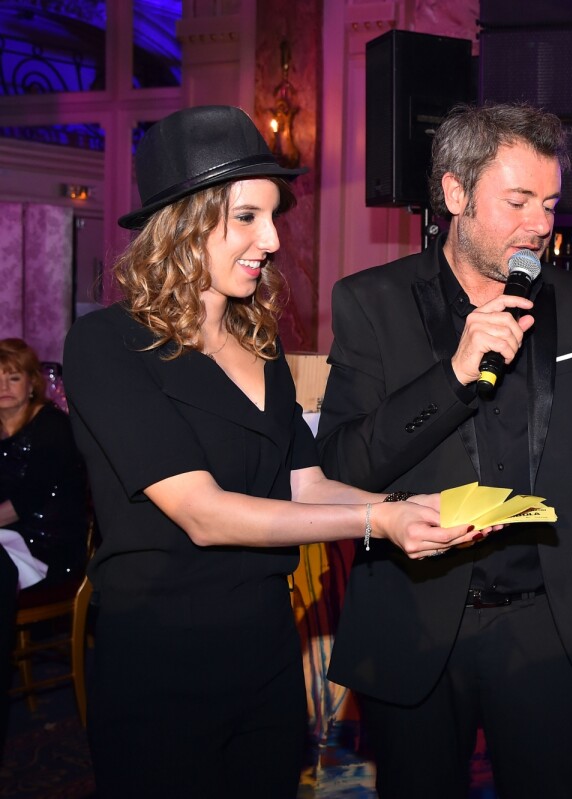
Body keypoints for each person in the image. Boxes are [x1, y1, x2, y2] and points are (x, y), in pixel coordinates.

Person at [63, 105, 488, 799]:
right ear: (182, 223)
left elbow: (307, 484)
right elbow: (204, 513)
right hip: (159, 665)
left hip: (263, 656)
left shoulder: (259, 350)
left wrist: (410, 506)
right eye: (246, 217)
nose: (271, 238)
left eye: (272, 216)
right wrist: (381, 523)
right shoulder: (107, 345)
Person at [316, 102, 572, 798]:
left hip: (549, 625)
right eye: (518, 200)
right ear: (456, 193)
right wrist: (454, 375)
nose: (540, 225)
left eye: (550, 202)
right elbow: (344, 467)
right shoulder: (371, 302)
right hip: (416, 619)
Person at [0, 338, 89, 587]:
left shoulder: (52, 425)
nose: (3, 386)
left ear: (31, 383)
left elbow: (30, 497)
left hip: (47, 545)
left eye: (14, 377)